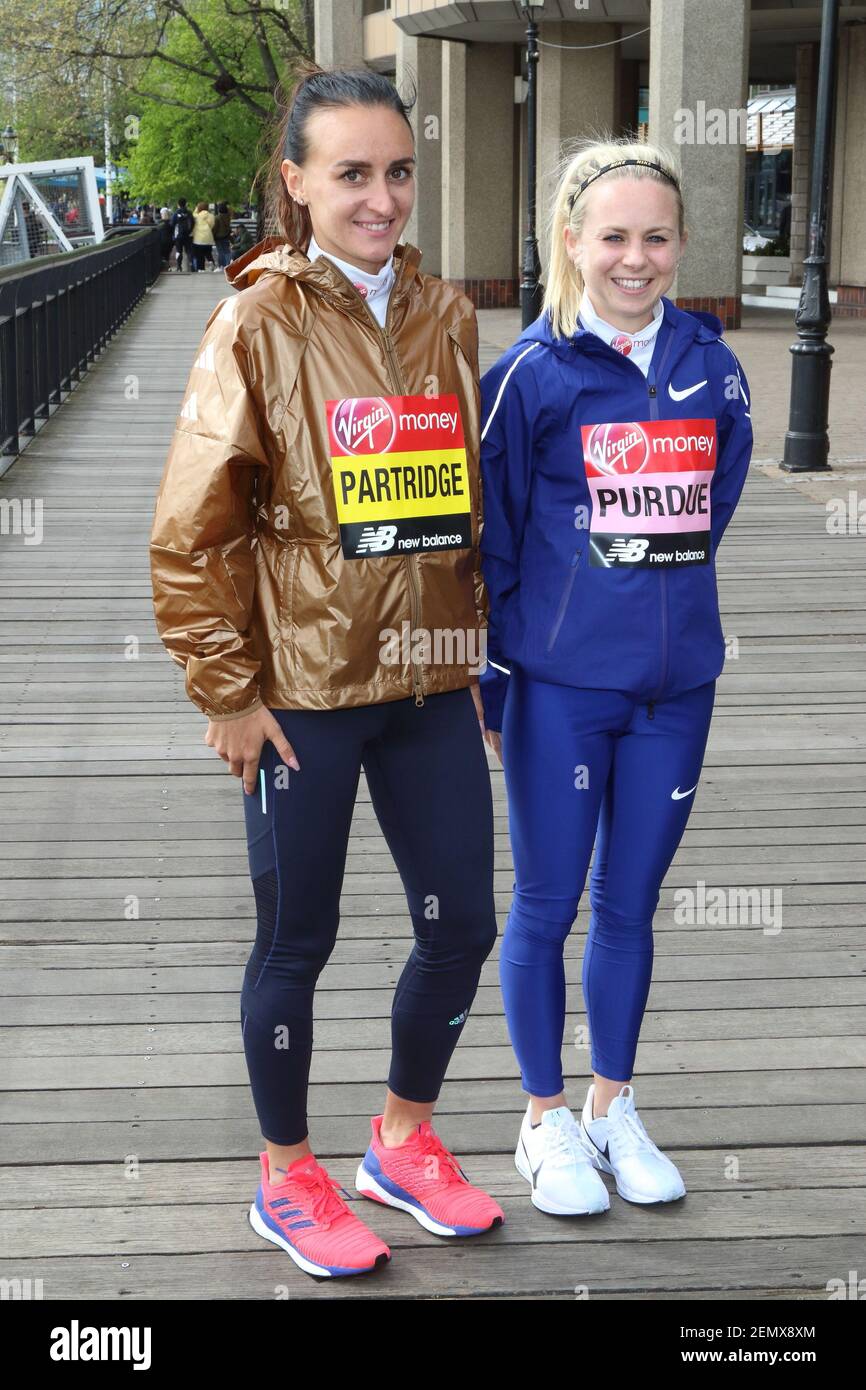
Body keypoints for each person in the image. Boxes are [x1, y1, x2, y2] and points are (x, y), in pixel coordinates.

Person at [149, 62, 503, 1281]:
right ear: (295, 183)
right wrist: (227, 691)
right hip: (302, 694)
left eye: (397, 172)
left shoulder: (445, 314)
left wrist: (471, 651)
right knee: (295, 939)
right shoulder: (253, 322)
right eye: (351, 173)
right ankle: (285, 1172)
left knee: (464, 926)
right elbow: (190, 530)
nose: (380, 197)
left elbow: (459, 505)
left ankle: (400, 1140)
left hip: (430, 680)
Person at [477, 136, 753, 1218]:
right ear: (571, 243)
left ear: (679, 243)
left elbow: (712, 505)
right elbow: (491, 540)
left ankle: (609, 1104)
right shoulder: (527, 376)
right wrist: (500, 679)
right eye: (611, 237)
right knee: (545, 904)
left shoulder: (712, 363)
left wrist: (657, 615)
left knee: (628, 904)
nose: (633, 259)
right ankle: (542, 1118)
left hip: (676, 687)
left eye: (653, 237)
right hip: (558, 687)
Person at [190, 200, 216, 271]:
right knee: (208, 253)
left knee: (199, 256)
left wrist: (196, 208)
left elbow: (193, 213)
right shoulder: (211, 216)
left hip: (198, 239)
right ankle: (211, 262)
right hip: (208, 238)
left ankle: (201, 269)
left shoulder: (196, 216)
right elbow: (212, 225)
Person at [170, 198, 194, 272]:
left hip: (178, 236)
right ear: (186, 203)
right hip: (188, 235)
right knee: (189, 251)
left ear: (178, 204)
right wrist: (190, 231)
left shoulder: (176, 213)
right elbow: (193, 223)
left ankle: (179, 267)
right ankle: (191, 265)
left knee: (178, 251)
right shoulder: (189, 213)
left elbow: (172, 224)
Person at [212, 200, 233, 267]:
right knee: (227, 251)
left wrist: (213, 235)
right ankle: (228, 265)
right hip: (226, 236)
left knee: (220, 252)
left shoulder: (217, 218)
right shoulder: (228, 217)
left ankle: (221, 265)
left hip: (219, 237)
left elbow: (215, 228)